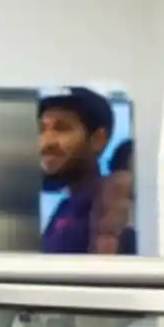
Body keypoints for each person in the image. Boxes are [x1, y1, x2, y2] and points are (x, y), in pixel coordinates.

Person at [37, 87, 116, 254]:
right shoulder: (68, 205)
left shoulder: (108, 205)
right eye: (41, 129)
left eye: (62, 128)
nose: (46, 142)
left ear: (98, 140)